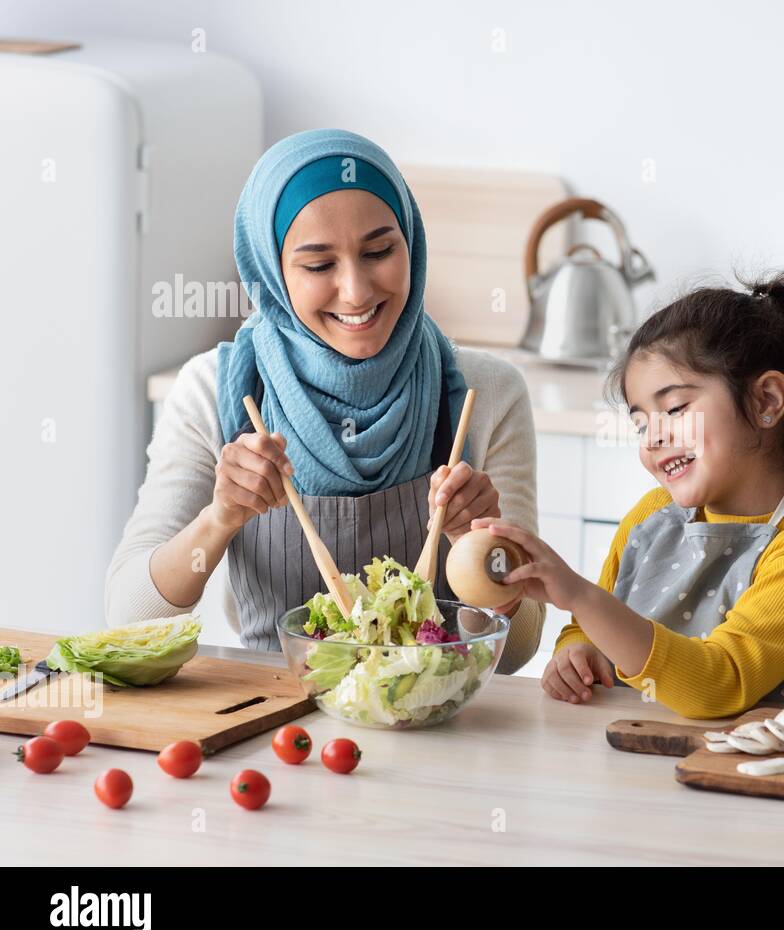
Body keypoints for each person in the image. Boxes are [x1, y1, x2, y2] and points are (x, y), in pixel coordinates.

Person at [106, 129, 542, 671]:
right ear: (272, 271)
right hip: (270, 724)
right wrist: (219, 519)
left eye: (380, 251)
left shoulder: (486, 393)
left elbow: (516, 652)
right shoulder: (214, 391)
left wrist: (478, 549)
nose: (356, 291)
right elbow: (129, 616)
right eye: (318, 266)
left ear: (412, 244)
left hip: (438, 716)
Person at [478, 273, 784, 719]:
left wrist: (577, 594)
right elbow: (590, 626)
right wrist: (577, 651)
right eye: (640, 423)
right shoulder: (650, 518)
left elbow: (717, 682)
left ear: (766, 400)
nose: (653, 438)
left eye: (674, 409)